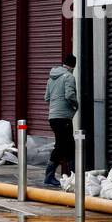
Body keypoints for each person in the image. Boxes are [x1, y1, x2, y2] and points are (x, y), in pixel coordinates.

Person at [43, 54, 80, 188]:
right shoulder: (69, 77)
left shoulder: (51, 78)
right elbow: (70, 95)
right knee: (61, 145)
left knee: (69, 145)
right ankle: (49, 176)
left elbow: (46, 98)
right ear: (73, 66)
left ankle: (74, 175)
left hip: (53, 117)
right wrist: (76, 105)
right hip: (63, 117)